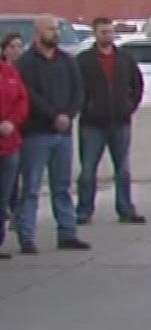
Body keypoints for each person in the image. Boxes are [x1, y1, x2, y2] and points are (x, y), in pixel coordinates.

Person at [13, 15, 89, 253]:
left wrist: (68, 114)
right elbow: (30, 96)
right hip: (37, 133)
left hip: (64, 134)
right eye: (50, 29)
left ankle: (67, 233)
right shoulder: (25, 63)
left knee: (62, 187)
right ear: (38, 32)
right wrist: (53, 116)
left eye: (56, 29)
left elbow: (78, 90)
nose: (55, 33)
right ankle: (26, 236)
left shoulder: (67, 61)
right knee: (32, 188)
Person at [75, 16, 147, 225]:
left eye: (110, 32)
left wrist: (128, 107)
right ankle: (83, 211)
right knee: (88, 170)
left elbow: (137, 85)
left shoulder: (125, 58)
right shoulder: (84, 60)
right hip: (92, 124)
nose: (107, 35)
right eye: (103, 32)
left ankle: (125, 209)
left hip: (120, 122)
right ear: (95, 34)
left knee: (122, 169)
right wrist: (86, 108)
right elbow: (76, 88)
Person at [0, 33, 28, 259]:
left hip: (10, 144)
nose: (18, 50)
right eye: (13, 46)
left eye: (20, 46)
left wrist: (12, 122)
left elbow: (22, 100)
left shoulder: (12, 73)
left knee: (5, 196)